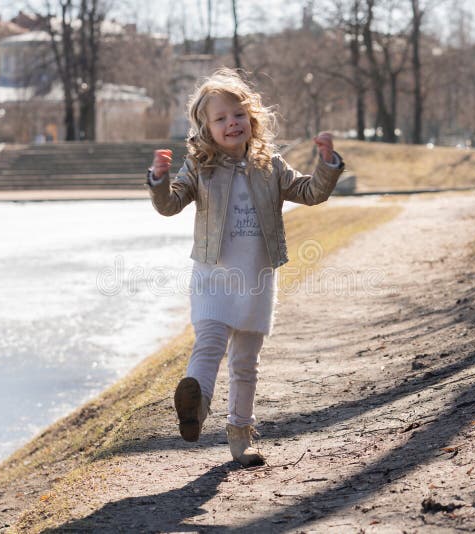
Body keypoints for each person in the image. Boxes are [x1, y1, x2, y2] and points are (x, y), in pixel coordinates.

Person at [146, 68, 344, 467]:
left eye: (237, 115)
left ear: (251, 118)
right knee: (209, 345)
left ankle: (241, 436)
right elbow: (170, 205)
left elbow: (310, 193)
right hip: (213, 276)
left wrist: (327, 163)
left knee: (245, 363)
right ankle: (195, 407)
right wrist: (159, 179)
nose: (230, 123)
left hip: (255, 278)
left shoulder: (269, 165)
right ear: (206, 128)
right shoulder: (199, 168)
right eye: (219, 119)